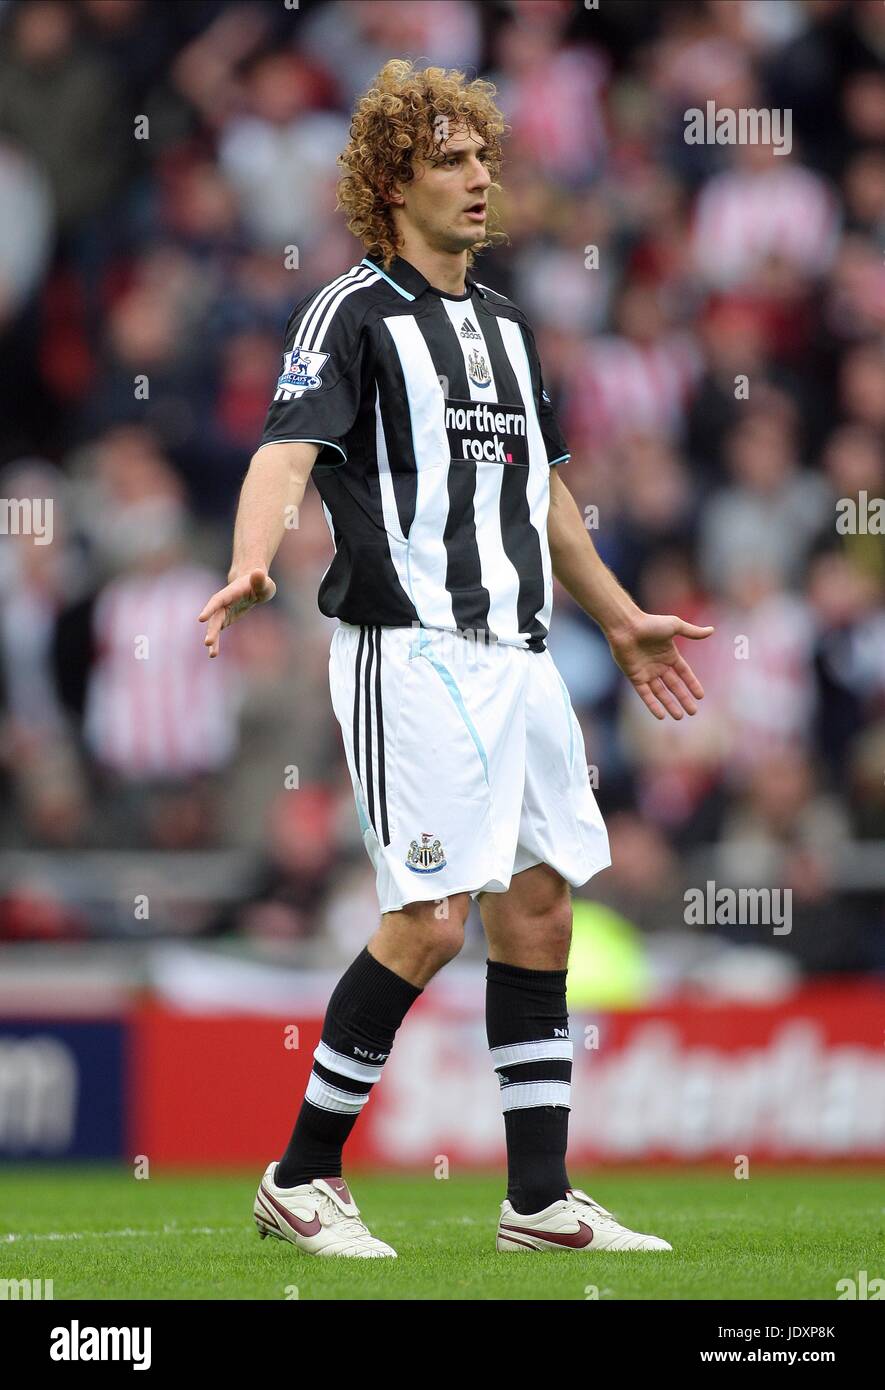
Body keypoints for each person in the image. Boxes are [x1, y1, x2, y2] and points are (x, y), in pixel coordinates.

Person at [199, 60, 712, 1258]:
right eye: (450, 160)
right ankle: (301, 1176)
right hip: (410, 649)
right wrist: (251, 557)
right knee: (428, 920)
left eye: (484, 156)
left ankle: (538, 1199)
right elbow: (283, 454)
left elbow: (547, 497)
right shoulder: (349, 313)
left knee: (538, 913)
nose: (482, 178)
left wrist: (622, 616)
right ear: (390, 183)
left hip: (521, 654)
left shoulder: (511, 325)